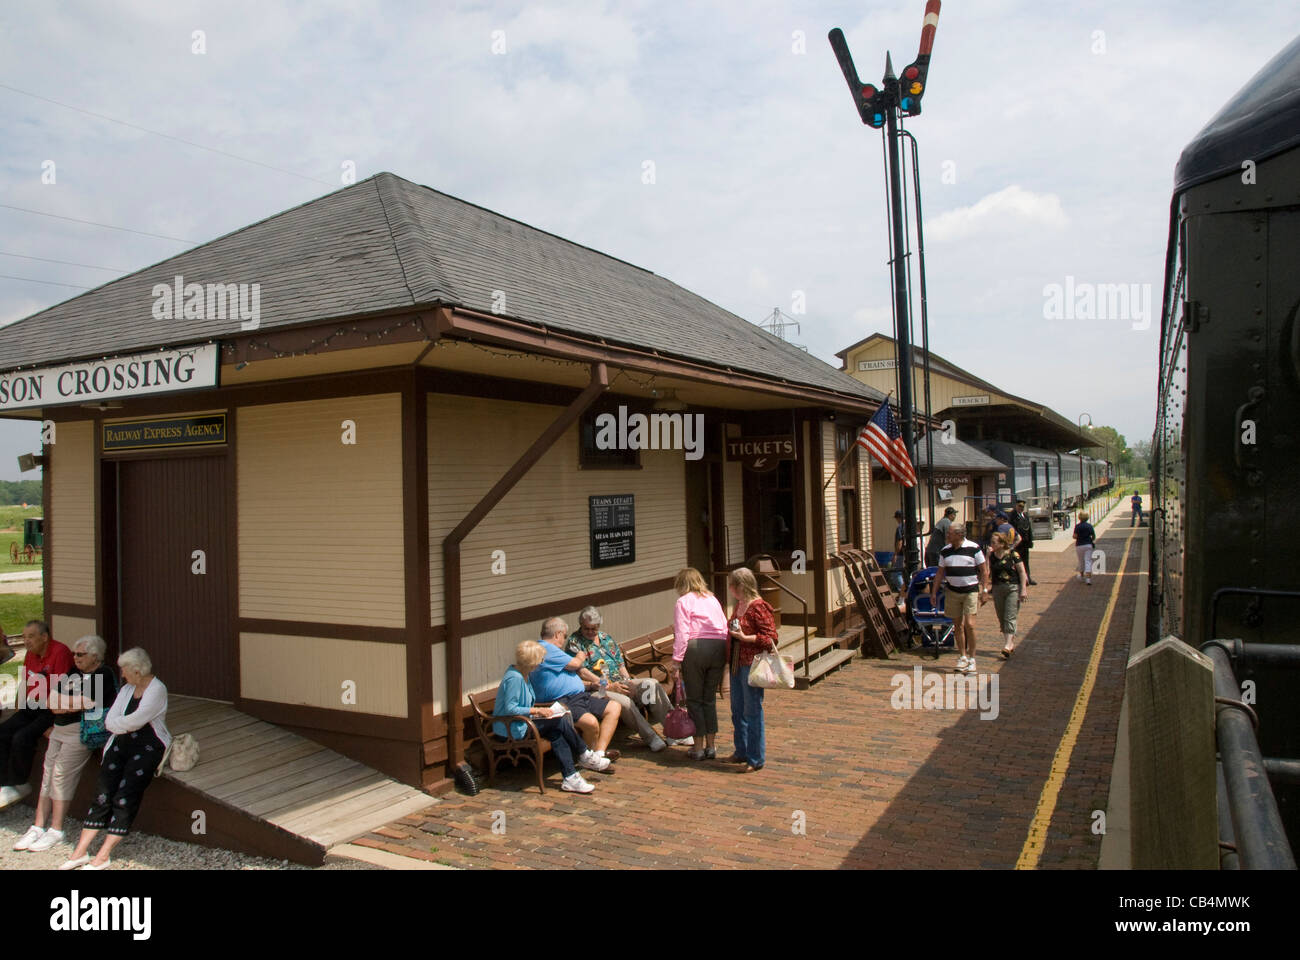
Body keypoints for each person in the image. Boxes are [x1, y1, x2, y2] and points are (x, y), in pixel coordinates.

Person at [60, 647, 170, 870]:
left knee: (125, 794)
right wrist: (120, 726)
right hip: (121, 743)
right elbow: (110, 719)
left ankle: (103, 855)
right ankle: (80, 852)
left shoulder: (157, 689)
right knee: (102, 791)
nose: (122, 675)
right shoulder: (128, 688)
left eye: (125, 670)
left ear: (137, 671)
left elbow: (138, 720)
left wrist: (120, 725)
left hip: (148, 745)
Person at [13, 635, 117, 853]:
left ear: (95, 656)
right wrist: (67, 704)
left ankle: (56, 829)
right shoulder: (73, 673)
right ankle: (38, 826)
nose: (75, 658)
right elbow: (50, 700)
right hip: (59, 729)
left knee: (62, 776)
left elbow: (87, 703)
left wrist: (65, 704)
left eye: (81, 654)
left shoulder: (103, 674)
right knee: (47, 774)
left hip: (79, 733)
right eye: (74, 654)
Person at [494, 640, 610, 794]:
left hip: (522, 722)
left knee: (556, 733)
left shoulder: (524, 675)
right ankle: (585, 754)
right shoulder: (515, 678)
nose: (541, 663)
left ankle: (570, 777)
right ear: (532, 662)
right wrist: (537, 711)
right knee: (559, 721)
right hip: (511, 727)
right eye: (540, 660)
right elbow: (510, 708)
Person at [565, 606, 678, 751]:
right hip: (596, 689)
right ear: (581, 624)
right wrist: (609, 686)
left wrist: (628, 682)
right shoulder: (575, 642)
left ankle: (673, 732)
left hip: (619, 681)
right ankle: (651, 738)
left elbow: (620, 664)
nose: (591, 632)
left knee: (652, 684)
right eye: (587, 628)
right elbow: (582, 672)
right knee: (624, 702)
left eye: (594, 628)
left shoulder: (606, 638)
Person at [0, 620, 74, 811]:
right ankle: (5, 785)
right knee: (3, 732)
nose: (26, 641)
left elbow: (64, 689)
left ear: (44, 637)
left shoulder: (60, 652)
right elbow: (25, 682)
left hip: (51, 708)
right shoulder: (31, 655)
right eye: (24, 637)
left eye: (30, 637)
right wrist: (18, 707)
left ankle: (20, 783)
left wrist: (55, 722)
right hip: (32, 705)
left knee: (21, 737)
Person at [529, 618, 622, 762]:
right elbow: (576, 663)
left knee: (614, 707)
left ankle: (598, 755)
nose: (564, 640)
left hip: (579, 696)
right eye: (564, 636)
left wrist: (591, 686)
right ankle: (589, 759)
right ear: (557, 634)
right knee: (591, 722)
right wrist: (580, 654)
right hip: (562, 702)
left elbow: (566, 679)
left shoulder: (555, 653)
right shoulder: (545, 648)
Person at [666, 567, 729, 760]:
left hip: (695, 648)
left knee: (694, 699)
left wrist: (676, 661)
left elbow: (682, 632)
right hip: (718, 646)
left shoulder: (683, 601)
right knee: (709, 699)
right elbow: (723, 625)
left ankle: (698, 747)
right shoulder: (712, 599)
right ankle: (711, 746)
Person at [723, 568, 778, 773]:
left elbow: (770, 637)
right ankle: (741, 751)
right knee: (737, 709)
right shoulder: (739, 605)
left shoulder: (759, 607)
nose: (730, 589)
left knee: (752, 710)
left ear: (741, 586)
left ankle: (756, 758)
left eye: (732, 585)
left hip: (753, 663)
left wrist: (746, 638)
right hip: (737, 662)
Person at [931, 523, 988, 675]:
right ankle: (962, 655)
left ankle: (972, 658)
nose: (947, 535)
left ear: (959, 534)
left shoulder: (974, 548)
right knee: (957, 626)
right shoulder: (945, 551)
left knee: (970, 624)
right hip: (952, 591)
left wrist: (985, 589)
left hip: (970, 590)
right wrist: (934, 593)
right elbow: (940, 573)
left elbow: (984, 570)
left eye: (950, 533)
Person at [988, 533, 1030, 659]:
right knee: (1001, 617)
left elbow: (1022, 572)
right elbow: (987, 571)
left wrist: (1023, 589)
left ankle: (1007, 645)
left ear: (1002, 544)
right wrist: (987, 555)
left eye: (994, 542)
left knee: (1010, 615)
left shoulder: (1013, 554)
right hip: (997, 588)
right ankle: (1010, 643)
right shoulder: (992, 556)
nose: (992, 545)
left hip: (1012, 588)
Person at [1009, 499, 1037, 585]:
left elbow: (1028, 529)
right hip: (1017, 544)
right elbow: (1012, 530)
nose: (1021, 508)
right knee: (1017, 561)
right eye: (1019, 506)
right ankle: (1019, 579)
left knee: (1026, 561)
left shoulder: (1025, 516)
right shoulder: (1012, 516)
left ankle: (1028, 578)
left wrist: (1030, 541)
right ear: (1016, 506)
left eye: (1023, 507)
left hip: (1025, 543)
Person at [1073, 511, 1097, 585]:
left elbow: (1074, 536)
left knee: (1081, 561)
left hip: (1079, 545)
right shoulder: (1089, 526)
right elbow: (1093, 536)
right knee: (1088, 561)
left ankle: (1081, 575)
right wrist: (1090, 540)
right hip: (1088, 545)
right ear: (1087, 518)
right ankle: (1088, 579)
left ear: (1079, 518)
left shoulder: (1077, 526)